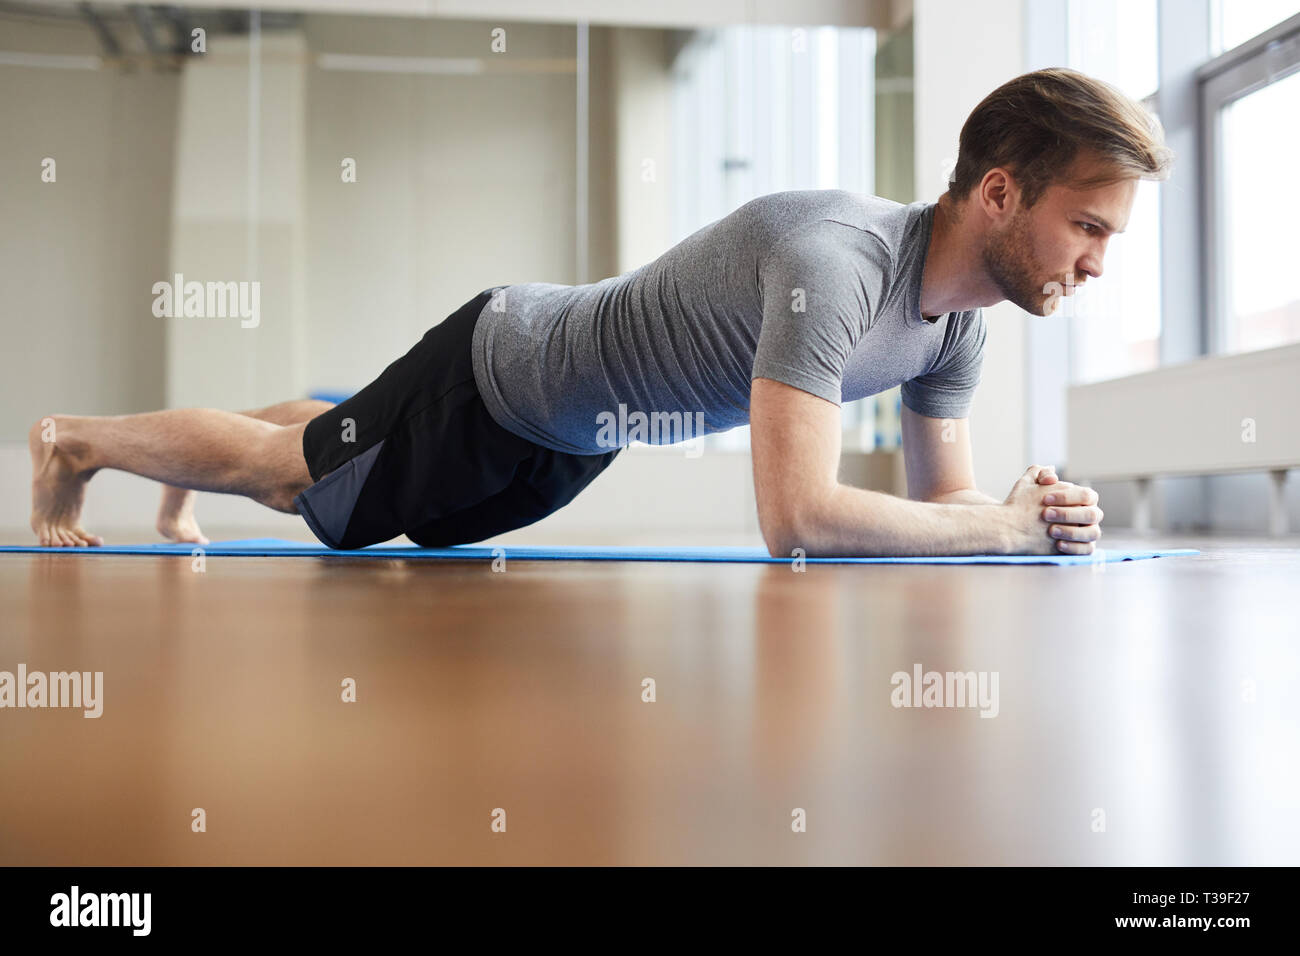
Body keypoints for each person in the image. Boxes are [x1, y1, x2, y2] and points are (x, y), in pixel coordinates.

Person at [29, 67, 1169, 557]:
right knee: (299, 485)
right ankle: (78, 440)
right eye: (1090, 226)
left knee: (350, 466)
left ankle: (249, 438)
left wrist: (1021, 514)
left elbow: (945, 505)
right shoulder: (839, 264)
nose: (1100, 261)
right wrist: (1000, 532)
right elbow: (799, 517)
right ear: (1001, 191)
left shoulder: (956, 325)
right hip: (506, 372)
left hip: (577, 442)